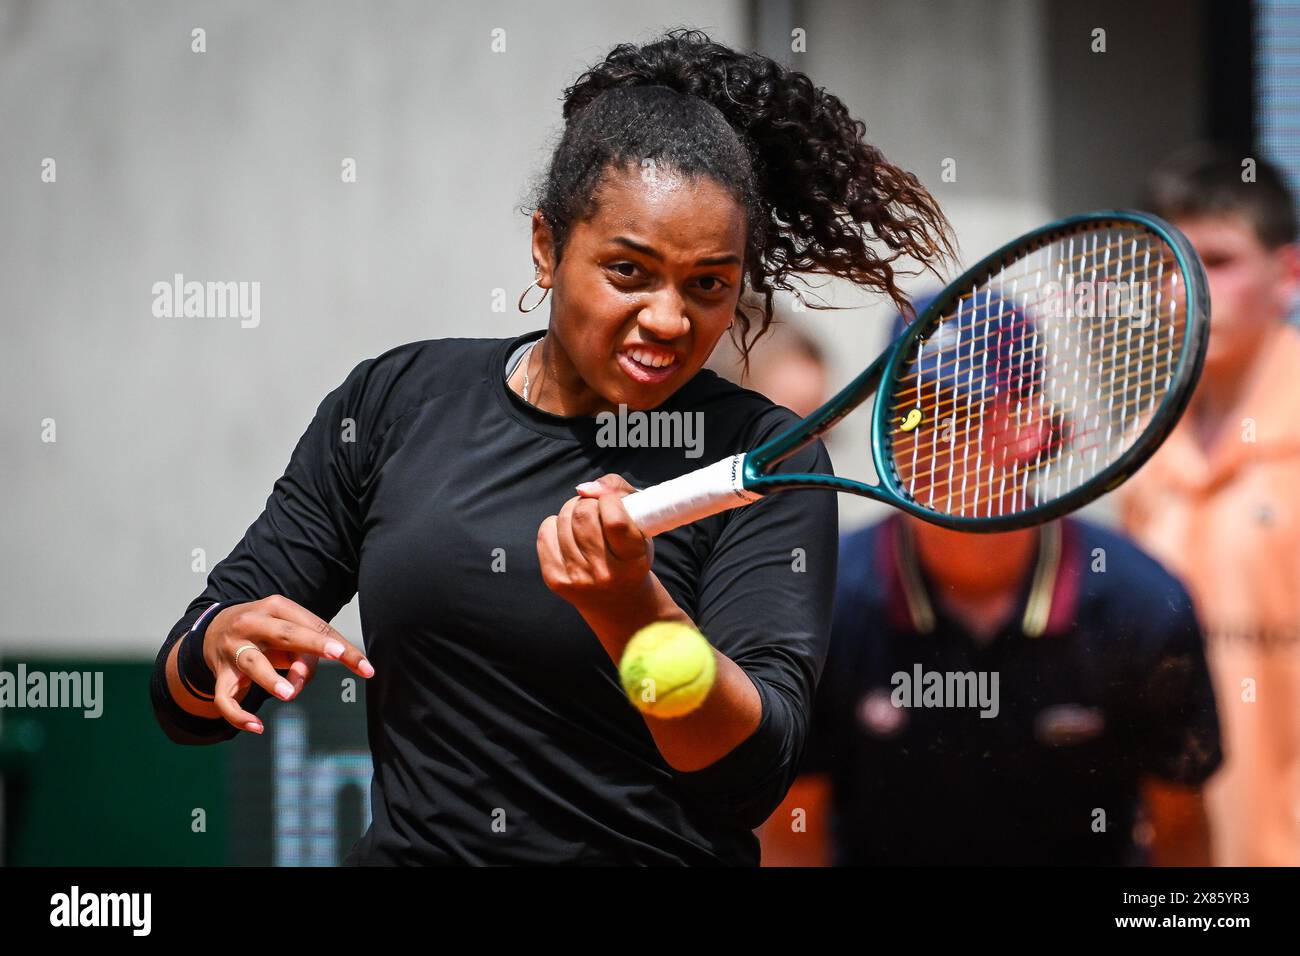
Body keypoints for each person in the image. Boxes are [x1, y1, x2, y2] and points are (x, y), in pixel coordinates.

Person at [147, 29, 955, 865]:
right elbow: (183, 696)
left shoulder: (766, 457)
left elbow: (750, 777)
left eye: (708, 285)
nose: (671, 320)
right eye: (630, 272)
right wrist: (214, 646)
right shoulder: (392, 401)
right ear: (547, 247)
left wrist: (631, 614)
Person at [758, 299, 1223, 866]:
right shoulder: (823, 603)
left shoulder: (1145, 605)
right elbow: (791, 827)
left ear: (1032, 424)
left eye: (961, 407)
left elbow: (1180, 828)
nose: (924, 436)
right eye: (905, 410)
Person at [1117, 144, 1300, 866]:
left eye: (1217, 261)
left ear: (1288, 274)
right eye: (1170, 263)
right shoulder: (1142, 442)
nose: (1186, 286)